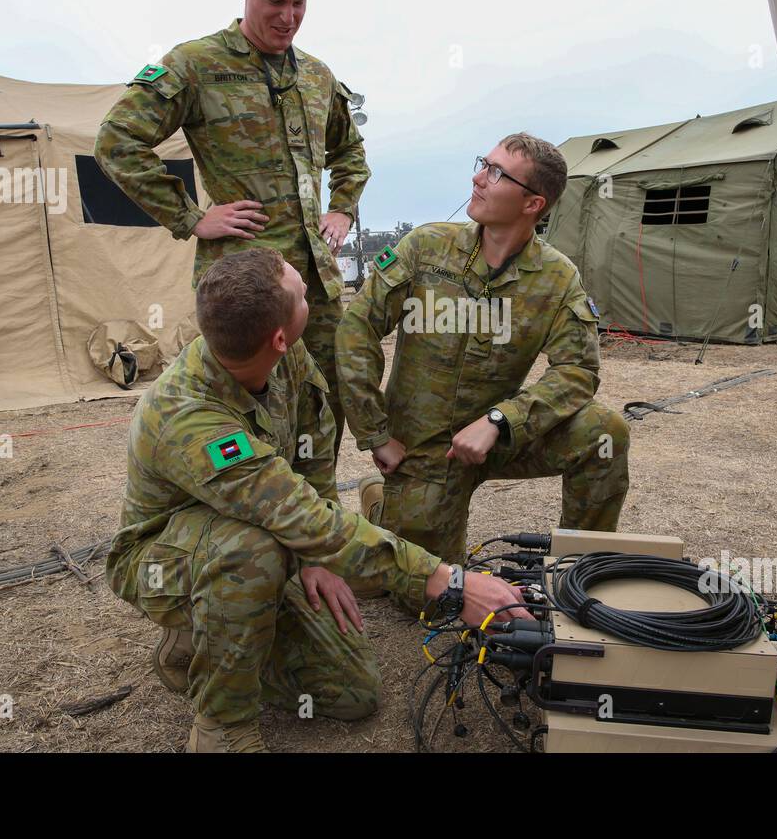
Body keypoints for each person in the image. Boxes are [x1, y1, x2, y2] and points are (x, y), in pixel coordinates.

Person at [105, 248, 528, 753]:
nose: (310, 288)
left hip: (260, 534)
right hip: (166, 558)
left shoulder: (284, 357)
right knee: (248, 552)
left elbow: (311, 456)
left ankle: (201, 644)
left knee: (354, 694)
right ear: (278, 336)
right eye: (301, 293)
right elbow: (300, 514)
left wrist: (312, 555)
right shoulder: (187, 415)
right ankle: (222, 726)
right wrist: (449, 582)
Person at [94, 0, 362, 453]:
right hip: (246, 288)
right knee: (244, 416)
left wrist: (343, 210)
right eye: (275, 1)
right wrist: (191, 216)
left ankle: (317, 518)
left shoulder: (316, 76)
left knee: (322, 412)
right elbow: (117, 141)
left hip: (318, 290)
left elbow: (349, 150)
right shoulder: (196, 65)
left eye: (300, 2)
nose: (288, 18)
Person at [337, 133, 629, 565]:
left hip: (502, 437)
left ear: (533, 203)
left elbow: (578, 371)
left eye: (496, 173)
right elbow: (357, 329)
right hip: (424, 450)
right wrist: (376, 433)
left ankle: (581, 570)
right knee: (432, 593)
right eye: (483, 164)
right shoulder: (427, 248)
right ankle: (383, 503)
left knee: (605, 432)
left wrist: (500, 420)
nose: (478, 178)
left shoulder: (556, 277)